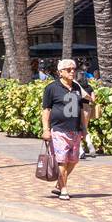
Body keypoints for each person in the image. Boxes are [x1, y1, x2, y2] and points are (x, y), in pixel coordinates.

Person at [42, 58, 93, 200]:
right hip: (59, 130)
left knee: (74, 160)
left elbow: (84, 107)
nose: (72, 72)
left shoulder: (77, 88)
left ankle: (59, 183)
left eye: (74, 69)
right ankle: (64, 189)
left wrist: (84, 129)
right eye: (69, 69)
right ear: (60, 72)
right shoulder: (51, 88)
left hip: (75, 130)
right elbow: (46, 110)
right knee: (62, 160)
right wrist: (46, 129)